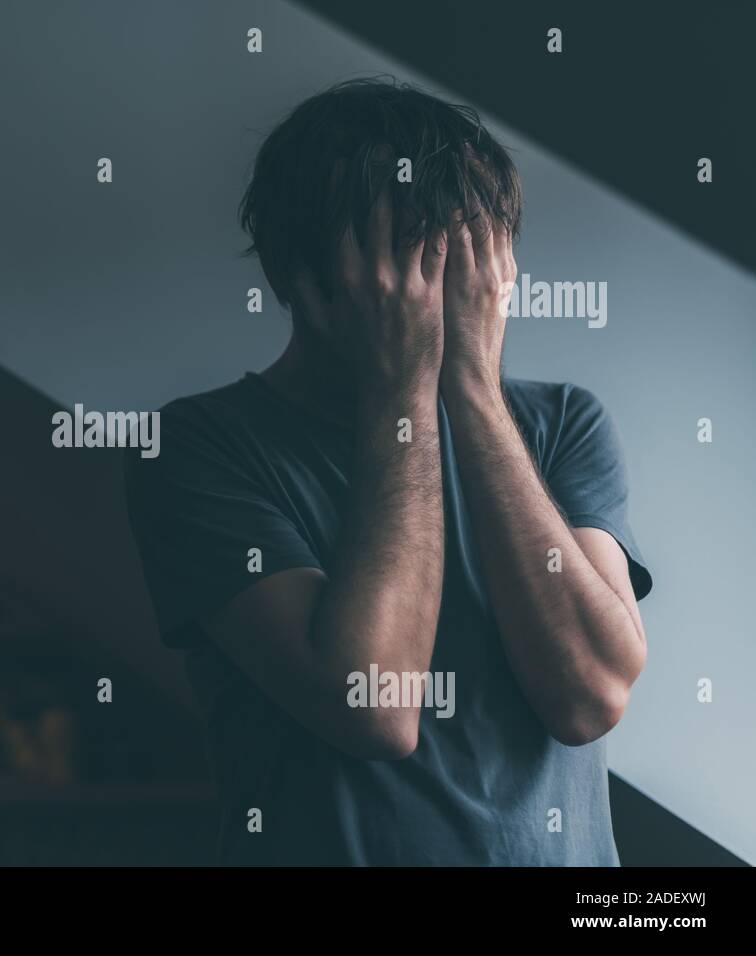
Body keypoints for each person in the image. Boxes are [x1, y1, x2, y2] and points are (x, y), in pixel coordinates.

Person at [124, 78, 652, 865]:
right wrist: (402, 388)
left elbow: (591, 695)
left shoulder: (562, 423)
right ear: (301, 276)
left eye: (467, 259)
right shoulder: (198, 446)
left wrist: (471, 390)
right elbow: (374, 707)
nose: (439, 292)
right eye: (409, 259)